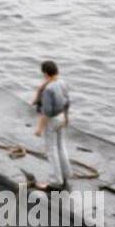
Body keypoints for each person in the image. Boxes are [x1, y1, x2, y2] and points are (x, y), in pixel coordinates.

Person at [32, 60, 71, 189]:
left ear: (45, 73)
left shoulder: (48, 90)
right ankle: (66, 173)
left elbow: (46, 112)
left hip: (52, 120)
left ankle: (55, 180)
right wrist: (66, 118)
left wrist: (39, 128)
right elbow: (67, 101)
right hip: (61, 117)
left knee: (51, 150)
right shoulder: (62, 83)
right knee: (61, 146)